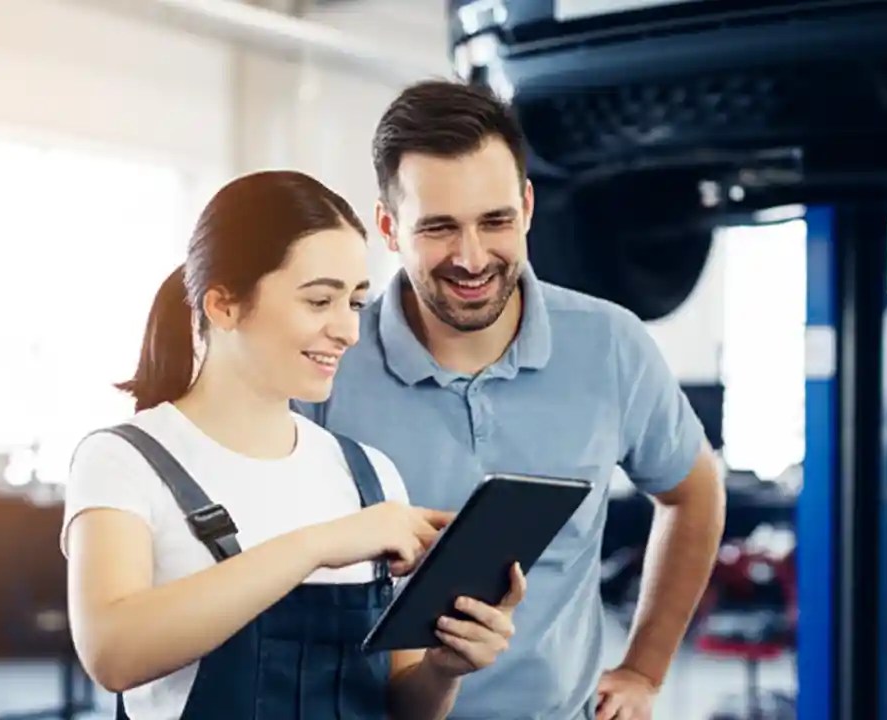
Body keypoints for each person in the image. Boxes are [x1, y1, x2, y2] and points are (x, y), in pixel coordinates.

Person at [294, 81, 727, 720]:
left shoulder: (610, 344)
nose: (472, 258)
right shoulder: (329, 360)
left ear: (526, 207)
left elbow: (694, 493)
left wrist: (643, 670)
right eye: (439, 228)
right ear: (389, 228)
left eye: (494, 221)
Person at [61, 170, 527, 720]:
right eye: (319, 301)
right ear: (224, 306)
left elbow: (405, 708)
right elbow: (112, 653)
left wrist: (444, 669)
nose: (348, 331)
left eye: (354, 303)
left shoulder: (369, 476)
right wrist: (320, 545)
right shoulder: (123, 459)